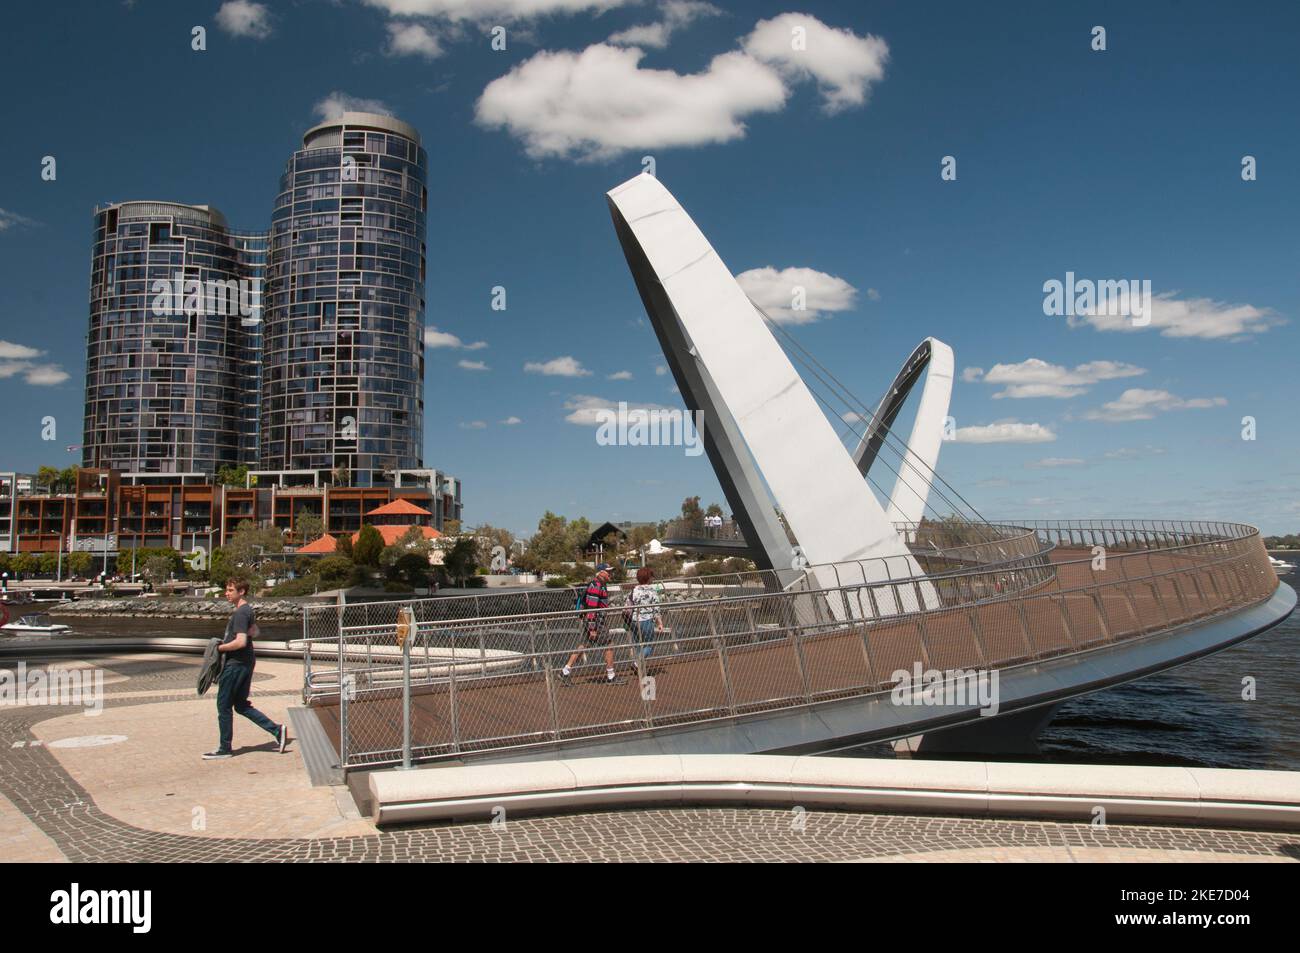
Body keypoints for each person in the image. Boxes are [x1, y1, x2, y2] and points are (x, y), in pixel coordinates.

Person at [202, 577, 288, 760]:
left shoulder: (241, 613)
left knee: (223, 706)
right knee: (240, 705)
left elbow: (240, 642)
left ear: (241, 592)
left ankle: (224, 748)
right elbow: (255, 632)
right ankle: (278, 730)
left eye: (230, 590)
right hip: (246, 663)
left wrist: (219, 648)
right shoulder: (248, 611)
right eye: (226, 589)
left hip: (235, 665)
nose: (226, 593)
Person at [560, 564, 618, 685]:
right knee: (609, 645)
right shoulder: (596, 586)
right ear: (600, 572)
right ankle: (611, 675)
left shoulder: (601, 585)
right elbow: (591, 607)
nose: (610, 574)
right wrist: (592, 628)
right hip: (596, 621)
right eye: (608, 572)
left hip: (594, 620)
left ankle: (565, 671)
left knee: (583, 645)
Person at [628, 567, 665, 661]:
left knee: (637, 644)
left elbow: (627, 604)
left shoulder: (634, 590)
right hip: (646, 620)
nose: (653, 579)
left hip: (634, 620)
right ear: (649, 578)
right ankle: (638, 663)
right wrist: (659, 623)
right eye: (652, 577)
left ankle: (639, 667)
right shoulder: (652, 591)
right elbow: (656, 608)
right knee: (650, 644)